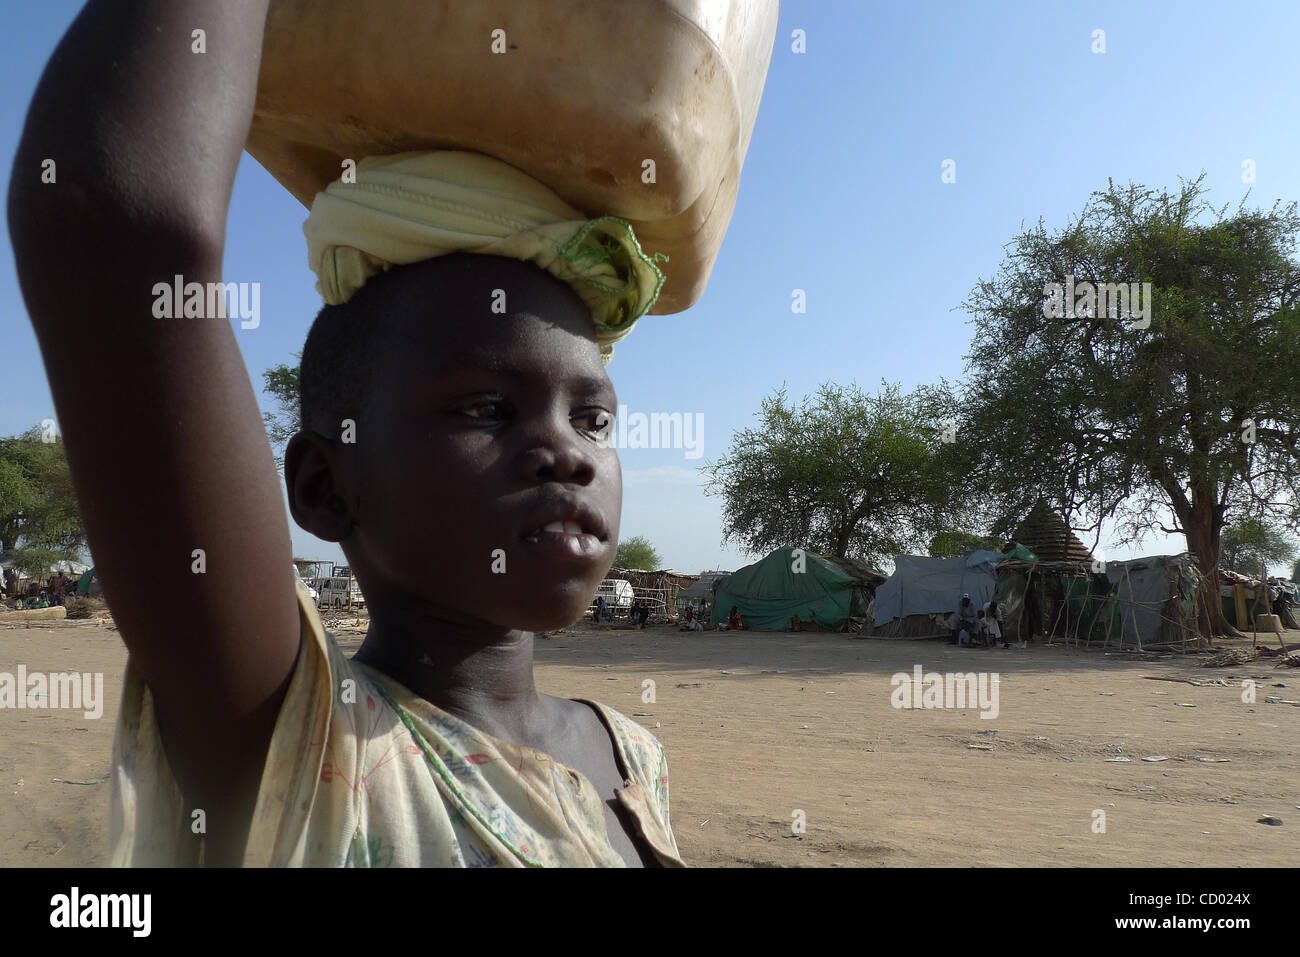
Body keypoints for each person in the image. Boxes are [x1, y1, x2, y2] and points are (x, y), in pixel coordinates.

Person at [9, 1, 680, 868]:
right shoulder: (297, 743)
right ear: (326, 487)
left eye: (592, 415)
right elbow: (114, 220)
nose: (570, 451)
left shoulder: (632, 756)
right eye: (485, 409)